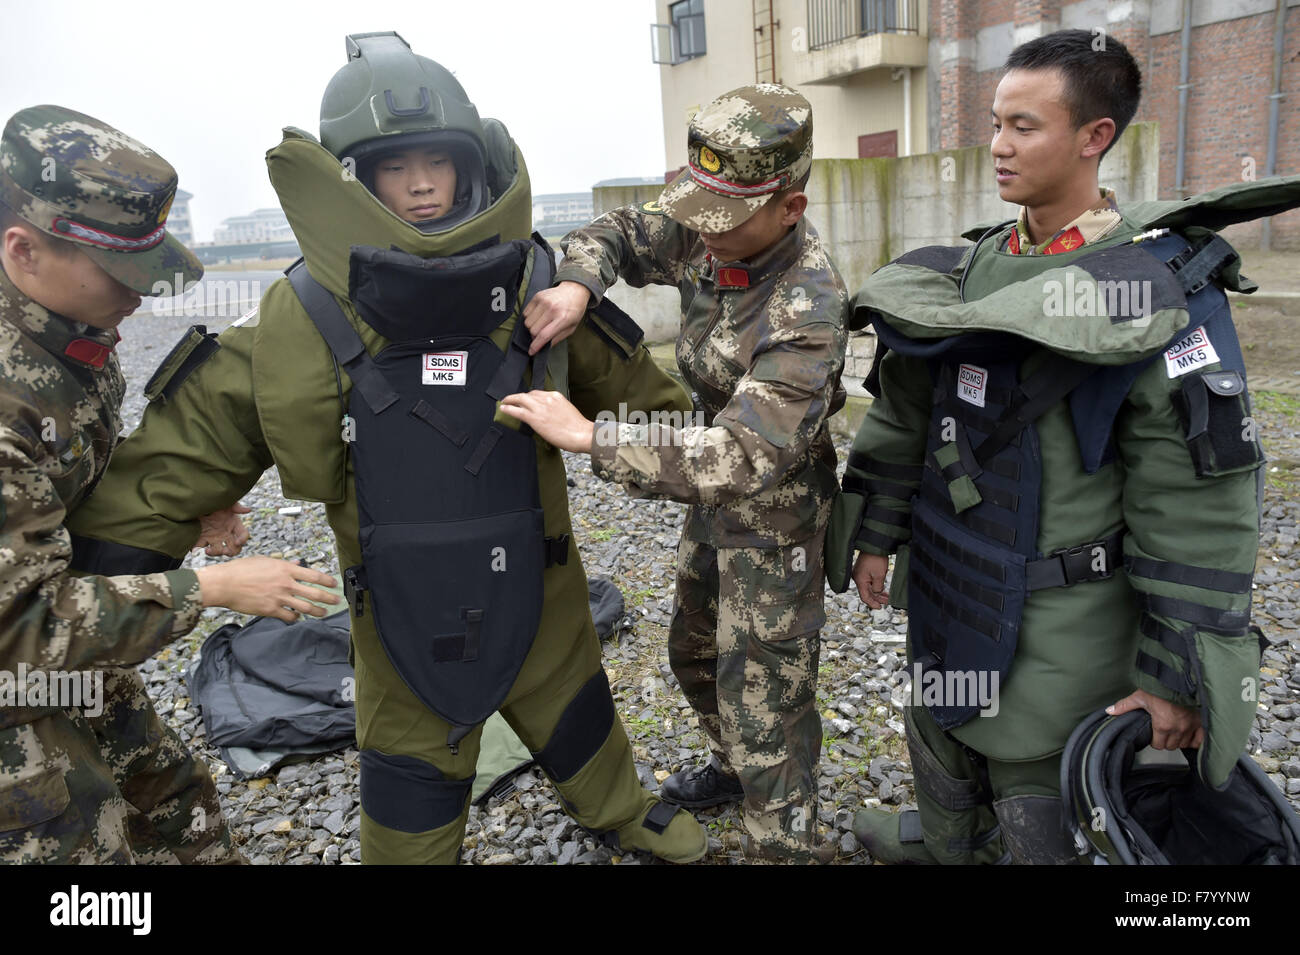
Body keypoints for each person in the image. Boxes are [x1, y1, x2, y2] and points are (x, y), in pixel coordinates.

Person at [65, 32, 708, 865]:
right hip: (395, 602)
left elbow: (662, 418)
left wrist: (730, 454)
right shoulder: (299, 315)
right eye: (393, 166)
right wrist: (90, 564)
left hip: (542, 581)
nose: (420, 184)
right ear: (354, 179)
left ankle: (618, 805)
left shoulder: (537, 289)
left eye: (437, 160)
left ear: (469, 162)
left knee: (574, 699)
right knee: (408, 768)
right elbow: (181, 452)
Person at [829, 30, 1286, 863]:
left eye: (1024, 126)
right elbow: (905, 409)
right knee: (939, 725)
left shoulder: (1156, 292)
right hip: (951, 582)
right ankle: (946, 846)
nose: (998, 146)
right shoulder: (971, 269)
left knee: (1038, 780)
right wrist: (876, 530)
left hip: (1067, 621)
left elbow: (1197, 502)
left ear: (1094, 136)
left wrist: (1172, 674)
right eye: (997, 123)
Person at [502, 83, 850, 863]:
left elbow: (742, 454)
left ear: (788, 209)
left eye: (725, 219)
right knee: (693, 651)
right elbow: (621, 229)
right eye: (701, 208)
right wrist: (578, 281)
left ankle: (788, 842)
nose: (703, 231)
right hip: (710, 498)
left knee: (768, 699)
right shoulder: (713, 224)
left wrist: (592, 437)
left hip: (776, 513)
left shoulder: (808, 303)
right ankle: (734, 772)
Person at [0, 104, 340, 864]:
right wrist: (211, 590)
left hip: (77, 666)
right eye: (119, 275)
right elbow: (19, 625)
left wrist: (187, 506)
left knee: (176, 808)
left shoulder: (67, 330)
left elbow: (55, 484)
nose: (140, 296)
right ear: (23, 250)